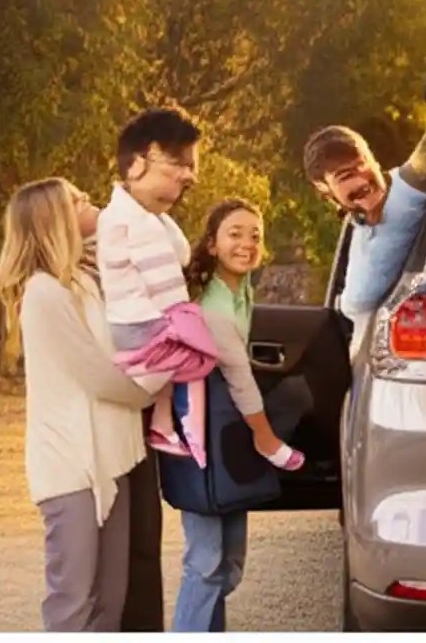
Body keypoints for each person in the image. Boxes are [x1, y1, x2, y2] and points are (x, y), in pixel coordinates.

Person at [99, 108, 303, 471]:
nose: (189, 175)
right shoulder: (137, 226)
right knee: (199, 348)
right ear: (136, 165)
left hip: (144, 338)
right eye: (179, 163)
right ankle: (188, 431)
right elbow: (170, 299)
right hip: (145, 336)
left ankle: (169, 424)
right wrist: (193, 328)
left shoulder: (150, 221)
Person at [0, 177, 153, 631]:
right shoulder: (44, 294)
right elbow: (98, 374)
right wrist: (153, 388)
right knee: (74, 601)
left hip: (109, 460)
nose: (93, 203)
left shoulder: (81, 278)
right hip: (71, 468)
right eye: (80, 200)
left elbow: (134, 236)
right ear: (56, 220)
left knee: (111, 601)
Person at [171, 198, 279, 631]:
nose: (247, 243)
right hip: (201, 440)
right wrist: (269, 439)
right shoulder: (213, 306)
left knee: (229, 563)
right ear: (212, 244)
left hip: (224, 440)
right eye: (235, 233)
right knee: (206, 560)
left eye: (255, 235)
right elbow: (239, 380)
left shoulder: (242, 291)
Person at [302, 122, 426, 357]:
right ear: (324, 190)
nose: (362, 181)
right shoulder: (359, 223)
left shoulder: (403, 198)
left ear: (374, 160)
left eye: (362, 165)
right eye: (345, 176)